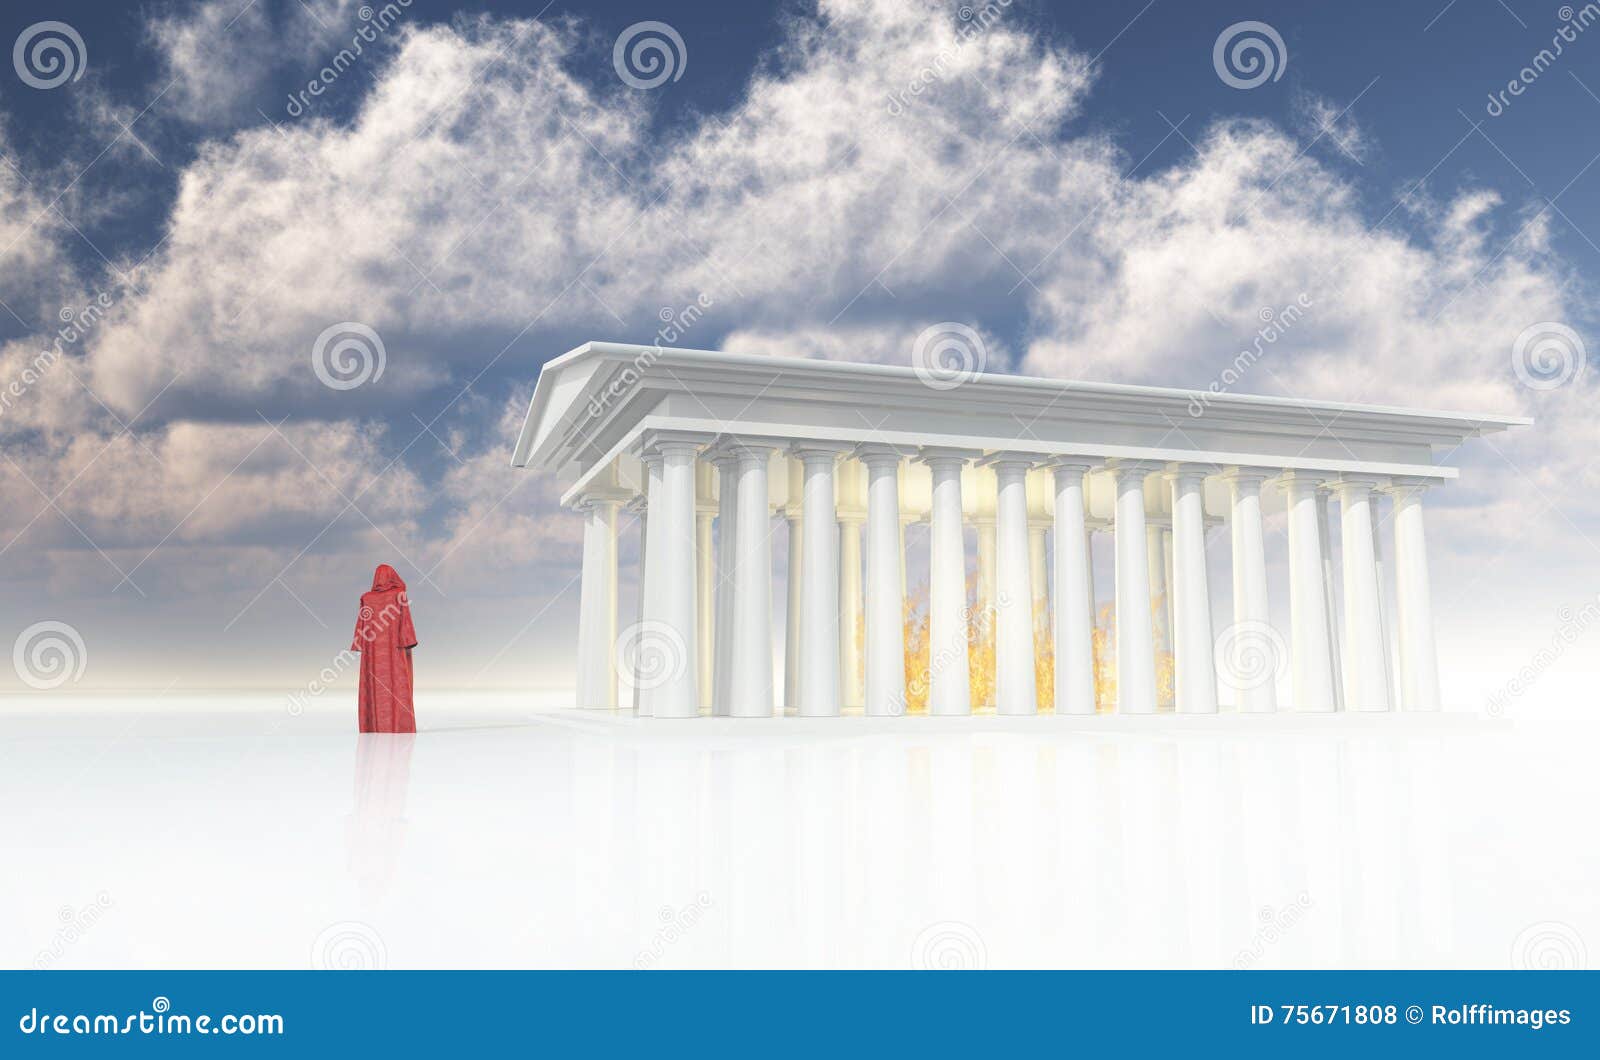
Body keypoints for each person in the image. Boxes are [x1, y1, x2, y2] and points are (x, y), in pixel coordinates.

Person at [350, 563, 418, 733]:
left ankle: (373, 726)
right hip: (395, 648)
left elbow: (362, 628)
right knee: (397, 682)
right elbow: (405, 624)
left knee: (373, 683)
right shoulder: (399, 595)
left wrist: (361, 643)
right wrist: (407, 642)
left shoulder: (366, 598)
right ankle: (399, 726)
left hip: (372, 652)